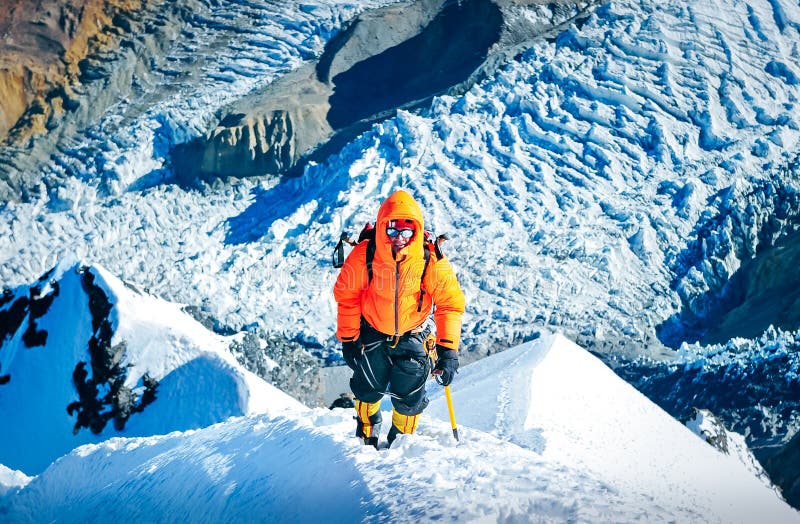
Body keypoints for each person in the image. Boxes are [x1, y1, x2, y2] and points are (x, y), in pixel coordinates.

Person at [333, 189, 465, 448]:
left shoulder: (429, 258)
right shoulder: (365, 254)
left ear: (417, 231)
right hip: (372, 333)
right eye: (392, 231)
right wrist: (349, 339)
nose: (399, 239)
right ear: (382, 228)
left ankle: (401, 444)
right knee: (366, 390)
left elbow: (450, 303)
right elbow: (347, 296)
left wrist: (448, 350)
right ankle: (366, 437)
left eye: (407, 232)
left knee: (410, 399)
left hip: (414, 335)